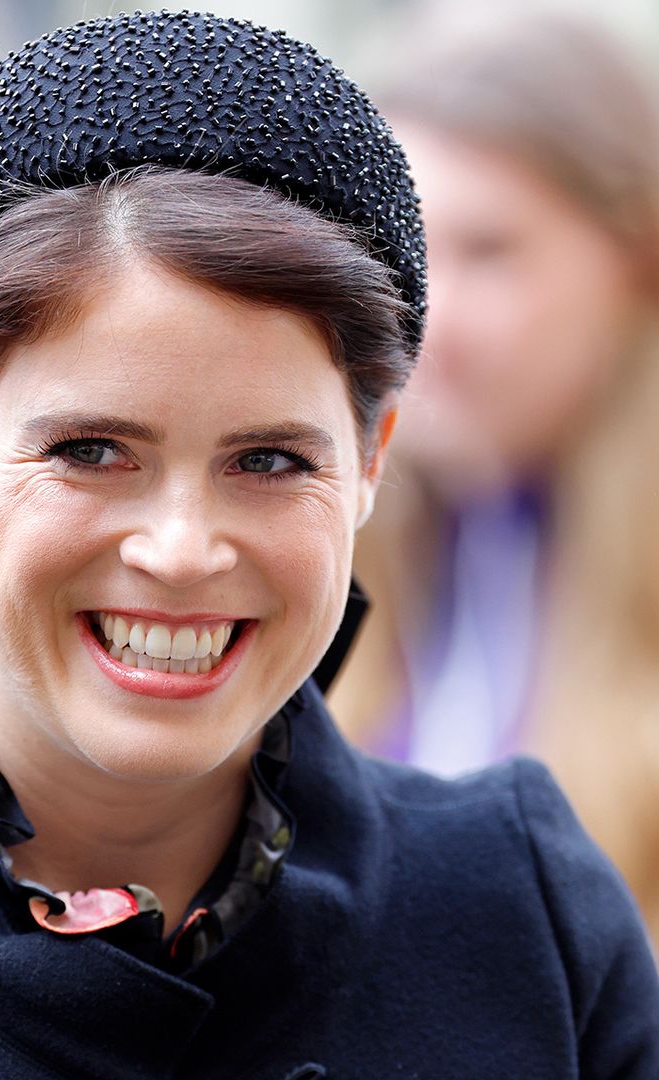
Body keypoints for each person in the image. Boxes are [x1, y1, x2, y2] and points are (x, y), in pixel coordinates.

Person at [0, 12, 656, 1077]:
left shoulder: (525, 906)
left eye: (270, 461)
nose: (182, 550)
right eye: (93, 450)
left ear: (372, 458)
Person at [328, 9, 659, 945]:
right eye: (406, 255)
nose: (434, 321)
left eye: (489, 252)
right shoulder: (338, 556)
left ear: (637, 262)